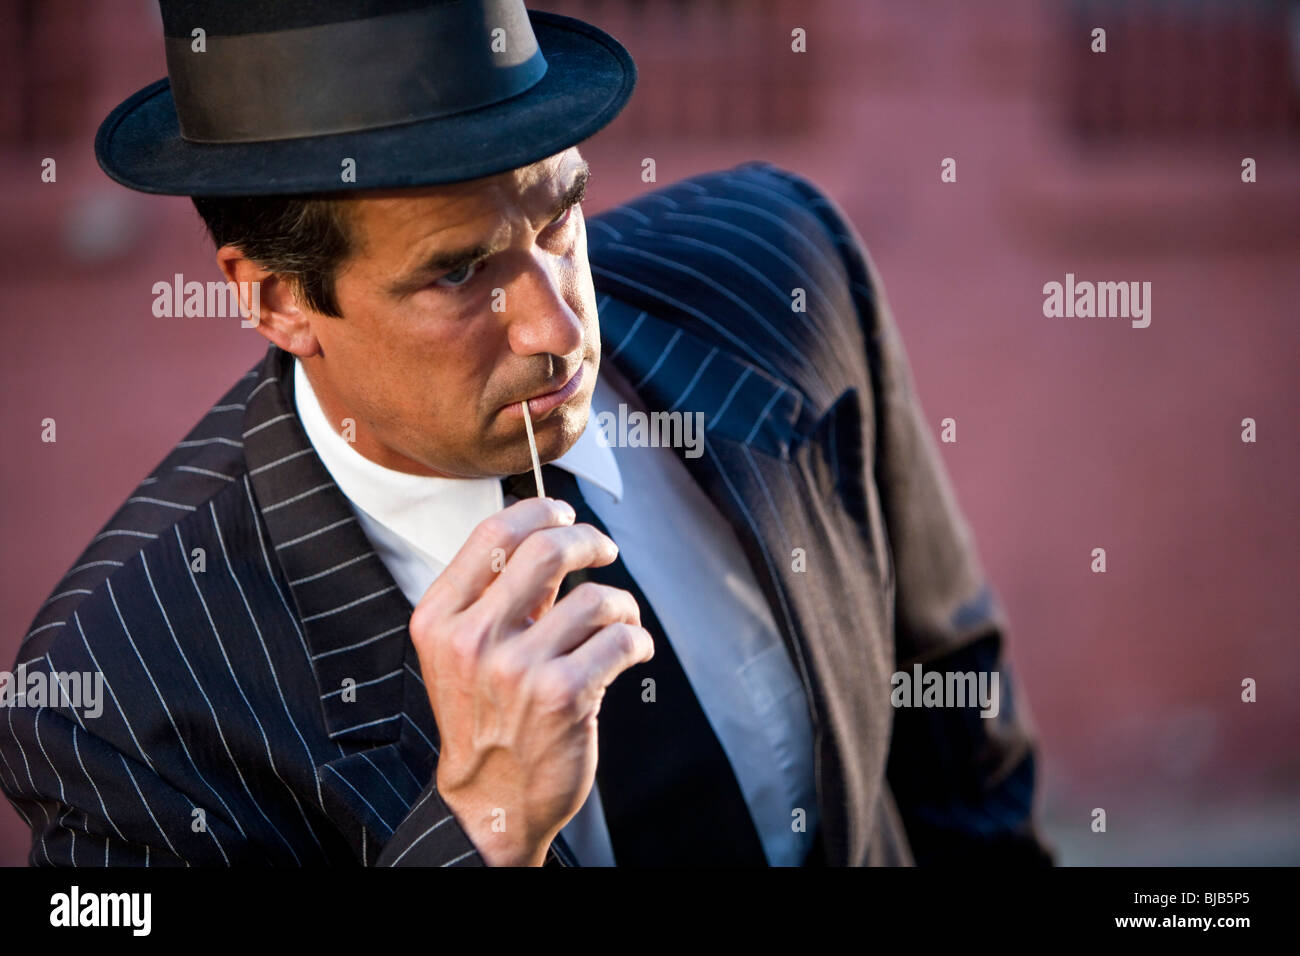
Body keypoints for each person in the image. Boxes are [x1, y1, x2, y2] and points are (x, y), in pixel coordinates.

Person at [0, 0, 1054, 867]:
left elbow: (951, 709)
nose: (556, 326)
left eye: (557, 219)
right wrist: (481, 828)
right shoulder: (119, 701)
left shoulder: (775, 277)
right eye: (457, 272)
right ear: (277, 298)